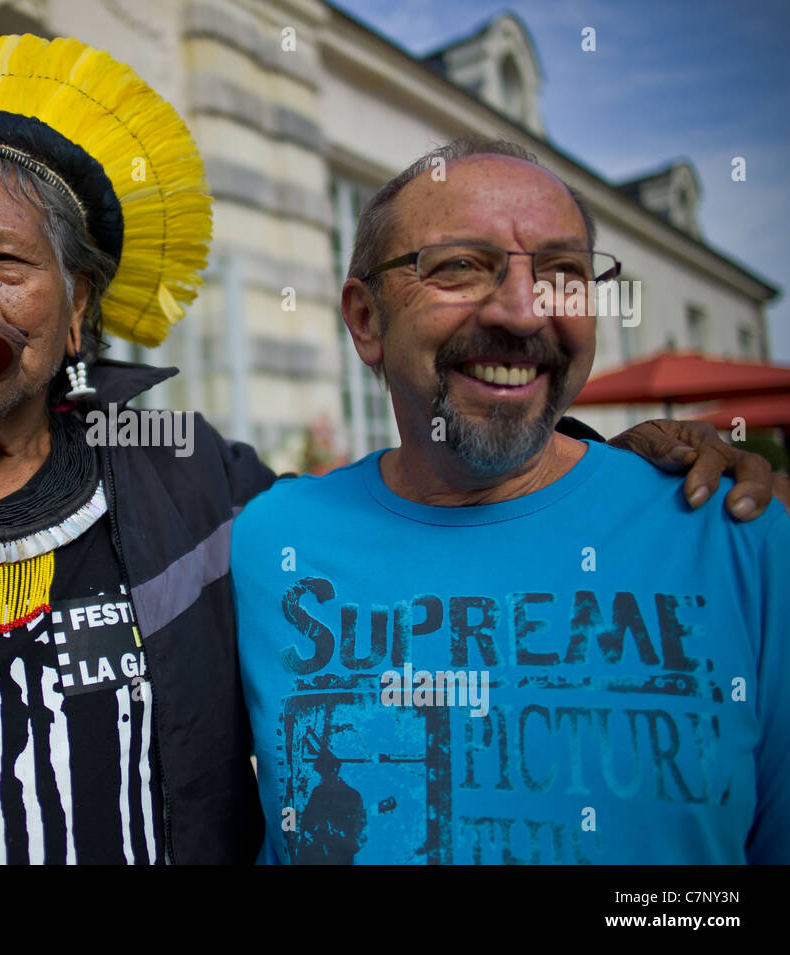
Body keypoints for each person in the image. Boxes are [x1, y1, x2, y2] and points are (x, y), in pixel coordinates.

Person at [0, 10, 778, 866]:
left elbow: (443, 495)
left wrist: (617, 460)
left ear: (75, 316)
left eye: (6, 263)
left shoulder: (204, 488)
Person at [232, 137, 790, 864]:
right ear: (366, 320)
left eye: (563, 273)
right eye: (460, 266)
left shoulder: (735, 529)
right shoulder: (266, 541)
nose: (525, 313)